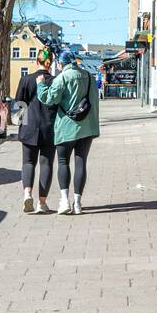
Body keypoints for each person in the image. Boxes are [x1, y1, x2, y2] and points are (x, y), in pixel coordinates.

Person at [36, 48, 100, 215]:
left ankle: (64, 201)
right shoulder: (88, 76)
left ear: (60, 64)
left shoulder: (62, 77)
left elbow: (49, 99)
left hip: (65, 126)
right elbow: (94, 100)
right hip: (87, 127)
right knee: (81, 162)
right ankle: (78, 203)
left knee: (63, 162)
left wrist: (41, 85)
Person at [15, 49, 57, 214]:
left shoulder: (26, 79)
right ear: (51, 63)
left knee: (28, 162)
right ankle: (42, 202)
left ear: (36, 62)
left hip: (29, 127)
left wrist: (23, 123)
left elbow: (19, 104)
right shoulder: (55, 81)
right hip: (50, 127)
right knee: (46, 164)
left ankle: (27, 194)